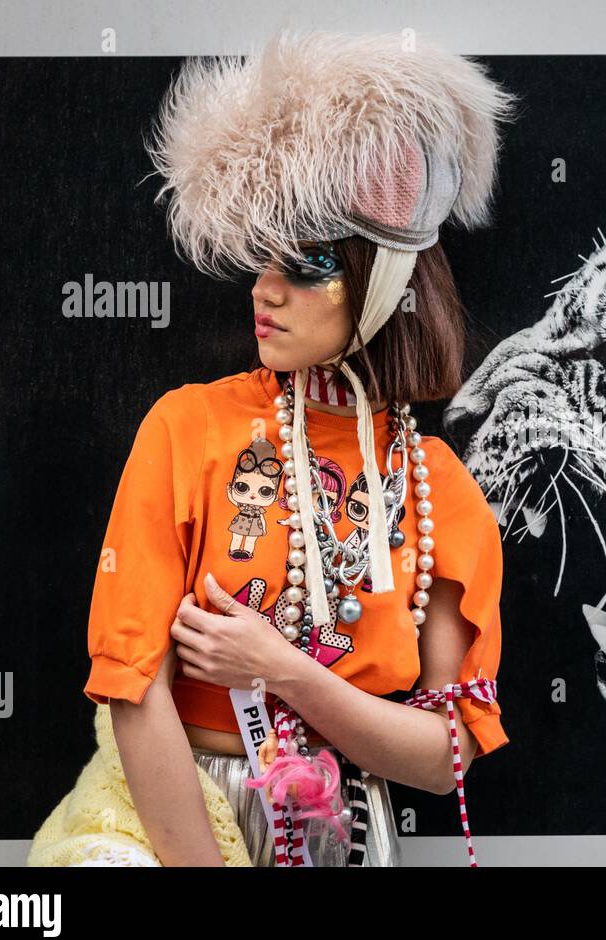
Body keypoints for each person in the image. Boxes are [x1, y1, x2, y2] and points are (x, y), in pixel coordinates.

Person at [27, 28, 519, 867]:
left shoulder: (439, 490)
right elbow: (129, 682)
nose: (266, 286)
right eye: (265, 257)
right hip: (163, 816)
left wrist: (283, 669)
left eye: (309, 262)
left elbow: (447, 755)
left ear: (383, 280)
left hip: (344, 832)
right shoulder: (188, 429)